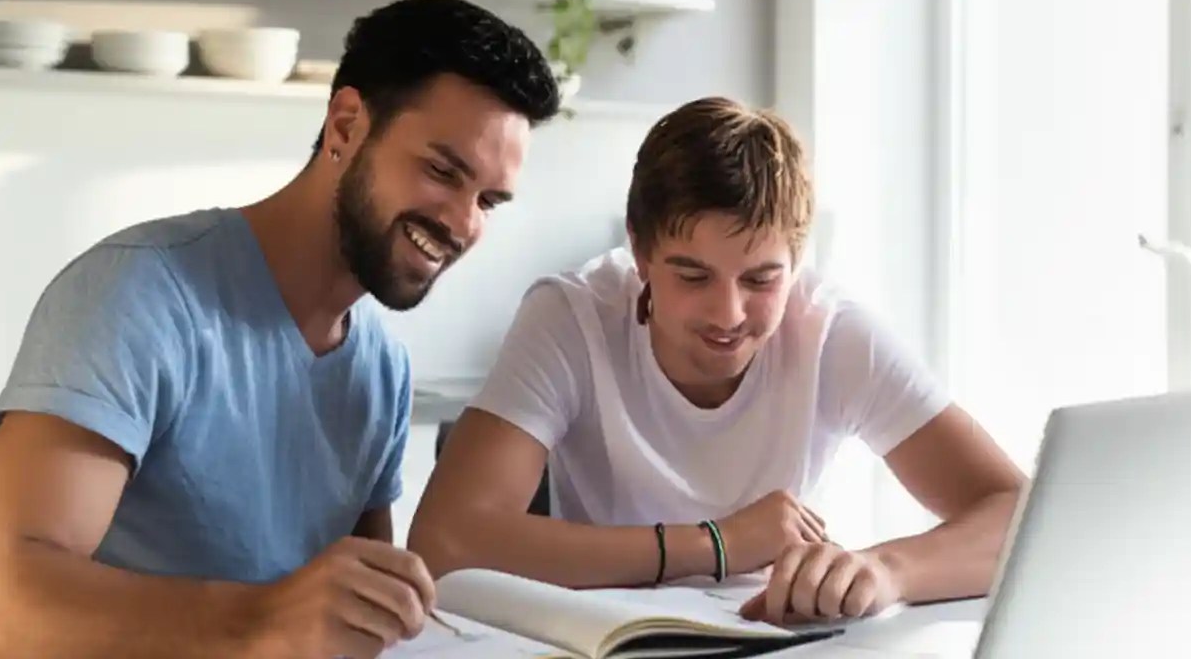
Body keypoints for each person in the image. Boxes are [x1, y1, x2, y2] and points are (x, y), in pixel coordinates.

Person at [0, 0, 558, 658]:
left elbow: (360, 617)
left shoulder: (381, 368)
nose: (465, 224)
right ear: (345, 125)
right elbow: (13, 597)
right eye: (442, 171)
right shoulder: (136, 295)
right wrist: (260, 618)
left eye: (489, 200)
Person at [410, 96, 1025, 626]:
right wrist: (716, 544)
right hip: (605, 637)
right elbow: (446, 539)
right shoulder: (571, 319)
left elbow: (1018, 514)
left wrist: (887, 569)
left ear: (798, 258)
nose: (729, 314)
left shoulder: (832, 333)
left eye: (761, 279)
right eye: (692, 274)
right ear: (641, 250)